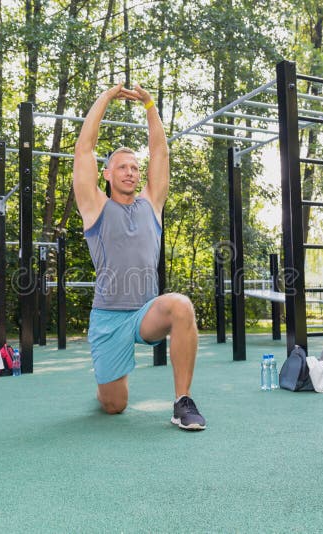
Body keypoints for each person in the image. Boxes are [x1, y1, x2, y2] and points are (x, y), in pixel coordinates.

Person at [73, 83, 206, 430]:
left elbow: (160, 153)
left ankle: (183, 402)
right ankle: (106, 386)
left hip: (146, 313)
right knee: (114, 406)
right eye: (122, 167)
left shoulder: (152, 204)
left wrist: (149, 104)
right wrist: (104, 98)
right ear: (107, 174)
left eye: (134, 167)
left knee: (181, 305)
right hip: (108, 319)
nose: (130, 172)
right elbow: (84, 150)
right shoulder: (95, 206)